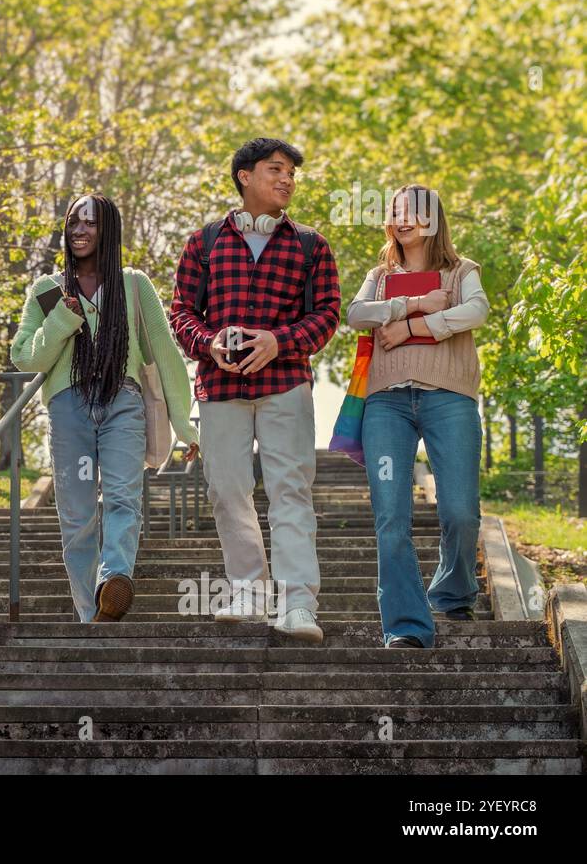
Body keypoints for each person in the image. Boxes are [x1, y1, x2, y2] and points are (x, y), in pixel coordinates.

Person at [169, 137, 340, 642]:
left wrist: (278, 341)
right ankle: (247, 589)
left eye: (291, 173)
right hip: (219, 388)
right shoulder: (203, 242)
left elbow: (327, 314)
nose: (287, 179)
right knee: (227, 490)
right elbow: (181, 313)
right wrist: (209, 342)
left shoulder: (311, 244)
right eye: (276, 169)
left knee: (290, 491)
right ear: (245, 175)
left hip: (286, 384)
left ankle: (298, 605)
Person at [11, 194, 198, 622]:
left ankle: (114, 578)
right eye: (73, 222)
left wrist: (184, 425)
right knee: (77, 517)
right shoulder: (47, 290)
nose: (79, 230)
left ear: (108, 230)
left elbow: (164, 353)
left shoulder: (133, 285)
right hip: (69, 406)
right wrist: (62, 319)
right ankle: (88, 613)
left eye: (90, 223)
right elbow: (25, 358)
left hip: (123, 403)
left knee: (122, 499)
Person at [346, 185, 488, 649]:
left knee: (461, 512)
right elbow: (356, 315)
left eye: (413, 211)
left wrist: (414, 327)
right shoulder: (380, 276)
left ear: (433, 219)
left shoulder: (462, 271)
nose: (402, 218)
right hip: (386, 404)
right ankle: (406, 624)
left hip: (450, 399)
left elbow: (476, 310)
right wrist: (411, 304)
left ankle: (452, 591)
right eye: (395, 211)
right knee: (391, 516)